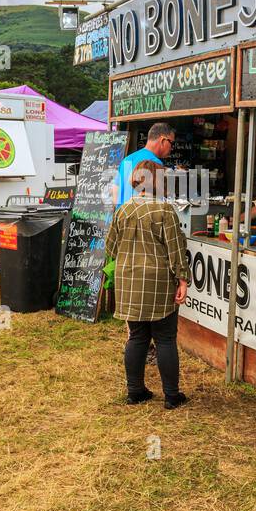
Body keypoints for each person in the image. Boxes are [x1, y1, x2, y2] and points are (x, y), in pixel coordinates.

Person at [104, 159, 191, 410]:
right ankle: (171, 396)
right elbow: (177, 250)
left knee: (137, 336)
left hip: (128, 279)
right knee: (165, 338)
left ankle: (135, 391)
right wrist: (183, 280)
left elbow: (110, 247)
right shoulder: (165, 211)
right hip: (158, 280)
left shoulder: (123, 209)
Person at [113, 122, 175, 207]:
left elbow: (115, 194)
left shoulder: (127, 159)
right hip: (141, 218)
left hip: (122, 216)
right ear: (163, 140)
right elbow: (157, 201)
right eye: (172, 143)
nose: (172, 148)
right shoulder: (154, 164)